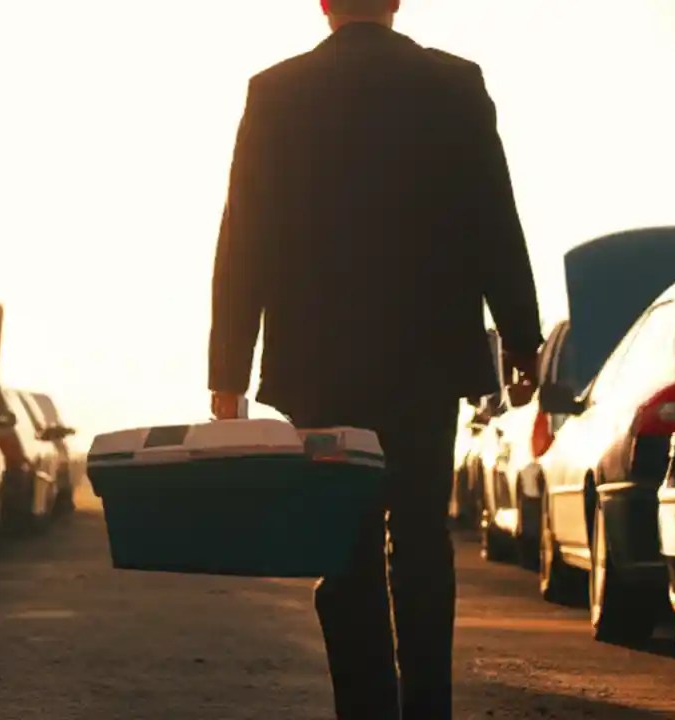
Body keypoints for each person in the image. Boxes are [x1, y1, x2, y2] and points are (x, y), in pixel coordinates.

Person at [207, 0, 542, 718]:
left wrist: (228, 373)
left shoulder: (277, 91)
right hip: (427, 358)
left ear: (324, 5)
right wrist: (522, 334)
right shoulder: (455, 84)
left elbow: (245, 235)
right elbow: (494, 216)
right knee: (422, 537)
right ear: (395, 3)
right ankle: (428, 708)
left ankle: (364, 709)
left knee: (346, 545)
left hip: (319, 362)